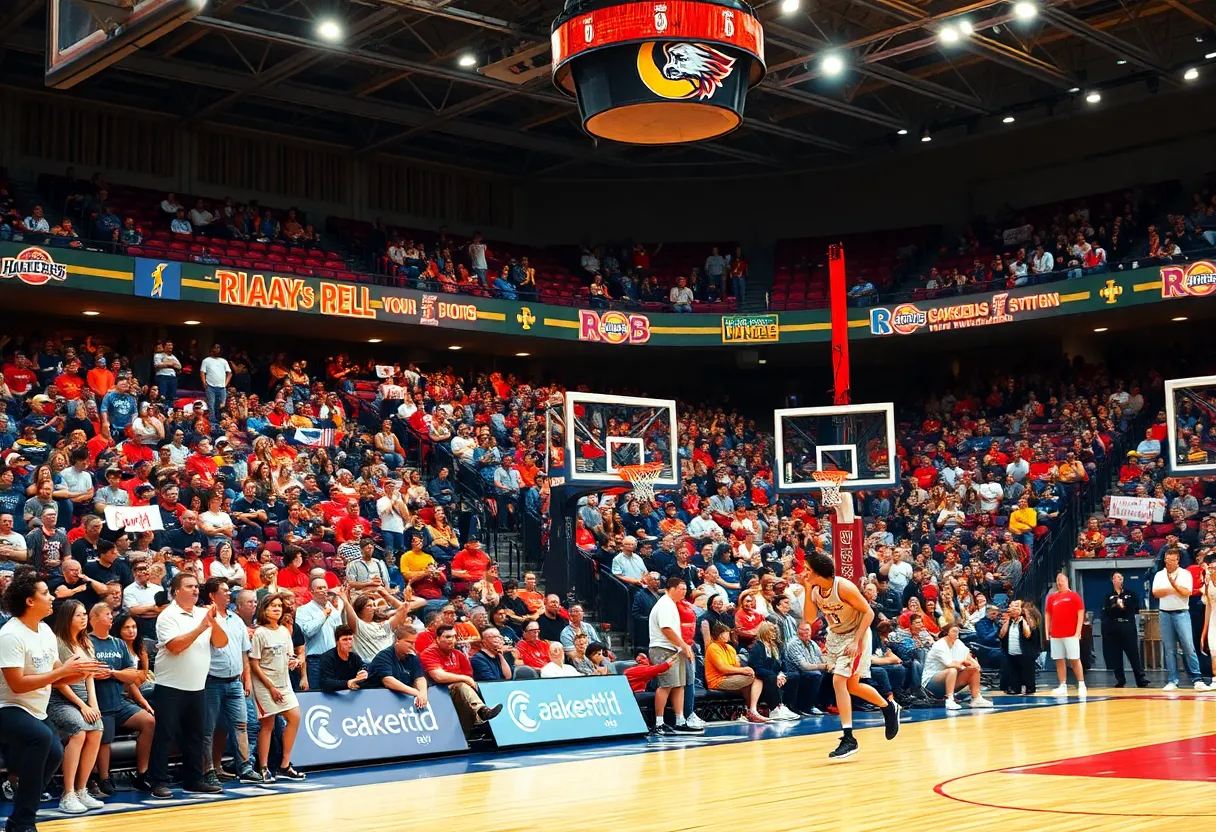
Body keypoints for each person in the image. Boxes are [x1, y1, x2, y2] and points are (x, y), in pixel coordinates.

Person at [0, 570, 103, 831]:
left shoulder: (44, 630)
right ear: (29, 601)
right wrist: (63, 672)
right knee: (42, 738)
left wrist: (84, 671)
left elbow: (57, 676)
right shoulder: (11, 635)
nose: (51, 598)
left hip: (35, 709)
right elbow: (17, 684)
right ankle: (23, 821)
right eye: (45, 593)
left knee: (55, 752)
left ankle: (22, 798)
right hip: (8, 707)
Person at [799, 552, 900, 760]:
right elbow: (809, 618)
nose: (804, 572)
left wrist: (856, 641)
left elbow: (869, 613)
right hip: (836, 635)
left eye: (808, 569)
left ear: (818, 572)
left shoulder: (843, 587)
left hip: (856, 635)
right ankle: (888, 707)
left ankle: (849, 738)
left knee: (839, 681)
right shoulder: (816, 589)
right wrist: (807, 588)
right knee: (852, 686)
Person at [148, 572, 228, 799]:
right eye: (189, 586)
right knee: (165, 735)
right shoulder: (167, 616)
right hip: (170, 686)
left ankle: (194, 779)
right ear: (176, 591)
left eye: (196, 586)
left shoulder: (205, 613)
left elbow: (221, 643)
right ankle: (158, 781)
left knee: (196, 735)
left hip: (197, 685)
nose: (195, 590)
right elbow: (175, 646)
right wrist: (203, 627)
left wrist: (213, 623)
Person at [87, 602, 155, 795]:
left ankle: (142, 773)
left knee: (149, 721)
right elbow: (91, 672)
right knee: (105, 740)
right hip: (101, 703)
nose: (111, 617)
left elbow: (132, 675)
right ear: (95, 619)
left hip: (121, 701)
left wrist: (113, 673)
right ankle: (104, 778)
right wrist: (117, 673)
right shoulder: (87, 642)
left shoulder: (117, 643)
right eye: (107, 614)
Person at [47, 600, 105, 814]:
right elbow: (59, 681)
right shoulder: (57, 642)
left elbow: (90, 676)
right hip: (61, 698)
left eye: (84, 614)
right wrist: (82, 706)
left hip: (84, 700)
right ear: (67, 618)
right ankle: (67, 794)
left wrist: (93, 703)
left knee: (97, 729)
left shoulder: (86, 642)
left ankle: (82, 789)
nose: (84, 618)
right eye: (79, 615)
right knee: (79, 731)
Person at [199, 578, 259, 785]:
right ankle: (208, 770)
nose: (228, 594)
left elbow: (244, 652)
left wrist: (247, 679)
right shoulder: (204, 618)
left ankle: (245, 767)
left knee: (241, 724)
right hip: (211, 681)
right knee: (208, 728)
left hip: (235, 681)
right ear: (212, 595)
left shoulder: (236, 619)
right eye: (224, 591)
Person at [249, 593, 306, 781]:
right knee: (268, 724)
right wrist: (271, 687)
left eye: (279, 606)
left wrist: (293, 662)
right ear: (264, 610)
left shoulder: (283, 631)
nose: (277, 609)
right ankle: (264, 767)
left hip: (284, 683)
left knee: (295, 717)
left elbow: (290, 655)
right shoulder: (259, 633)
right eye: (272, 606)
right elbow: (254, 664)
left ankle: (284, 765)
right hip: (266, 684)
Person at [418, 624, 501, 735]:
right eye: (447, 637)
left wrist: (467, 680)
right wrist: (464, 678)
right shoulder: (429, 653)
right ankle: (482, 712)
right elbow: (438, 676)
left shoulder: (458, 654)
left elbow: (469, 678)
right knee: (462, 686)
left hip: (458, 692)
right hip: (438, 691)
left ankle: (482, 725)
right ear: (437, 639)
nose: (452, 640)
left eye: (454, 637)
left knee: (469, 687)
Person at [647, 576, 702, 734]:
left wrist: (682, 647)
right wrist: (684, 645)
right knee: (666, 685)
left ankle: (680, 720)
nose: (684, 592)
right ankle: (659, 723)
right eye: (681, 589)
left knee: (679, 684)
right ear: (670, 588)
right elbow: (666, 629)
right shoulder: (664, 604)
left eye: (685, 589)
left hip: (674, 649)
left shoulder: (672, 604)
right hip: (662, 649)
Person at [1153, 546, 1210, 691]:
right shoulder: (1159, 574)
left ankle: (1197, 679)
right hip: (1164, 613)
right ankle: (1172, 680)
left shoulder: (1185, 574)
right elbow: (1156, 592)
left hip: (1182, 613)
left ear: (1177, 560)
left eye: (1171, 560)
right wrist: (1173, 589)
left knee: (1189, 647)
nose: (1168, 562)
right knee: (1169, 648)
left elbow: (1186, 593)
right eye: (1166, 559)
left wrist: (1173, 586)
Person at [704, 621, 766, 721]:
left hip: (731, 678)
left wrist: (743, 670)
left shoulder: (730, 648)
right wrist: (743, 670)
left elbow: (736, 666)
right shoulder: (713, 647)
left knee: (752, 683)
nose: (729, 635)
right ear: (720, 634)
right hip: (718, 680)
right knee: (753, 679)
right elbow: (723, 668)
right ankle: (752, 711)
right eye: (726, 633)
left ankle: (751, 711)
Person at [922, 623, 992, 709]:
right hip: (930, 683)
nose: (956, 634)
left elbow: (968, 657)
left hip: (950, 680)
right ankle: (950, 699)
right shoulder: (939, 645)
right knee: (952, 670)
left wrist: (975, 664)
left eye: (957, 631)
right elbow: (952, 664)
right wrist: (964, 662)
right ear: (947, 632)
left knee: (974, 669)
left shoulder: (958, 643)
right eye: (954, 631)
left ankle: (976, 698)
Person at [1044, 572, 1087, 697]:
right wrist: (1047, 632)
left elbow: (1080, 613)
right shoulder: (1052, 598)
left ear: (1066, 581)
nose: (1059, 582)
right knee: (1059, 659)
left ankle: (1081, 684)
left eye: (1061, 580)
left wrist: (1078, 631)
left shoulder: (1074, 596)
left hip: (1071, 634)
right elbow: (1048, 615)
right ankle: (1062, 685)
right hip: (1056, 634)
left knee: (1074, 659)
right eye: (1057, 580)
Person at [1101, 572, 1147, 688]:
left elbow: (1135, 608)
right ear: (1112, 580)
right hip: (1114, 626)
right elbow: (1105, 611)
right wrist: (1115, 606)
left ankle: (1140, 678)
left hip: (1127, 625)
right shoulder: (1108, 596)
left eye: (1120, 577)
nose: (1118, 580)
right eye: (1115, 578)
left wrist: (1124, 606)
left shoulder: (1130, 594)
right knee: (1116, 655)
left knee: (1133, 653)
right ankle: (1120, 679)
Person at [365, 624, 428, 709]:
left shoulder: (412, 656)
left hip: (398, 701)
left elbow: (419, 678)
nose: (412, 646)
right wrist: (416, 692)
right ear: (397, 640)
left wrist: (423, 693)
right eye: (409, 642)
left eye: (414, 643)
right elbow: (388, 681)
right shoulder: (383, 656)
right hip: (375, 699)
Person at [998, 600, 1040, 695]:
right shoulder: (1009, 621)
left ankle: (1029, 687)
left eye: (1016, 607)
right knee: (1013, 672)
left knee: (1027, 673)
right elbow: (1001, 634)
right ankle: (1015, 687)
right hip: (1011, 652)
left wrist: (1022, 618)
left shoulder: (1028, 620)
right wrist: (1008, 619)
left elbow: (1027, 634)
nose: (1012, 609)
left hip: (1025, 652)